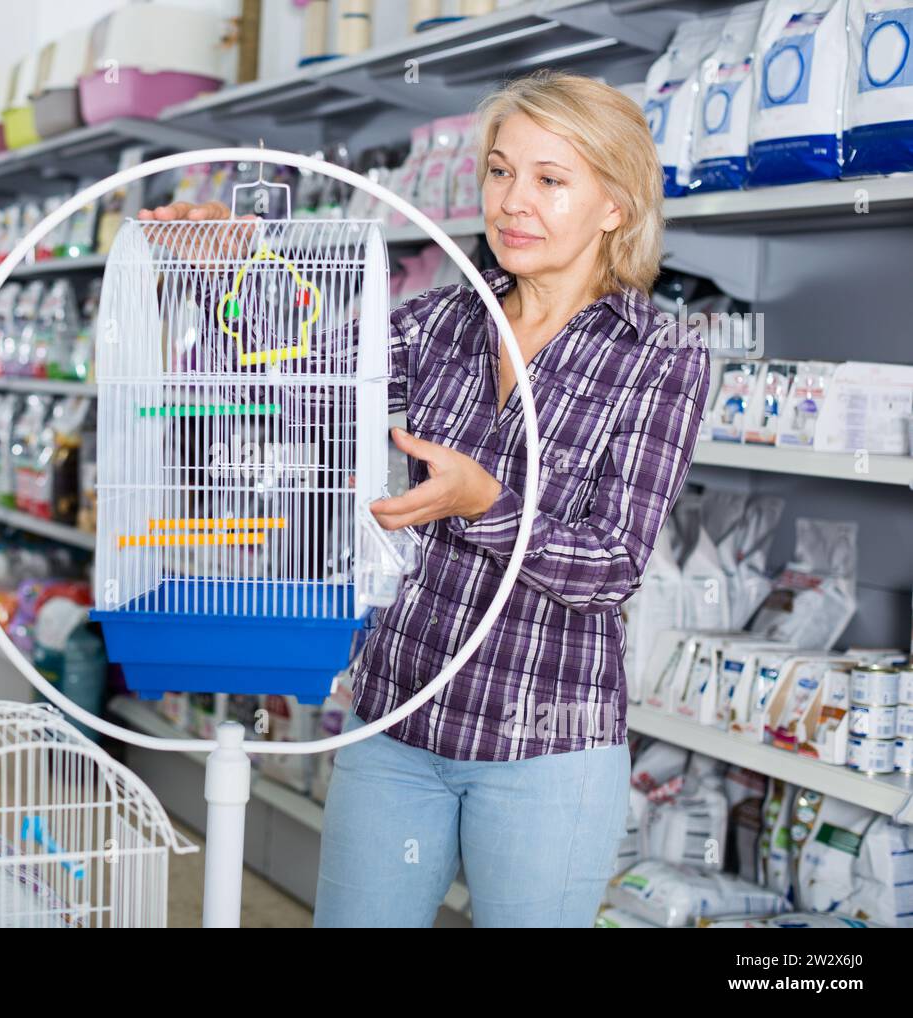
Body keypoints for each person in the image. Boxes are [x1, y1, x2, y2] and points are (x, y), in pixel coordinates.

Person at [138, 69, 711, 928]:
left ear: (615, 205)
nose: (513, 201)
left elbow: (613, 567)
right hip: (400, 716)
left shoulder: (662, 355)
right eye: (500, 170)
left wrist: (486, 504)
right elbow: (302, 392)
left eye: (551, 180)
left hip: (545, 742)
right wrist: (230, 277)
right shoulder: (440, 320)